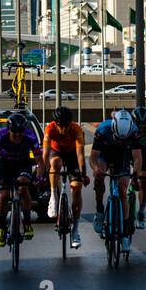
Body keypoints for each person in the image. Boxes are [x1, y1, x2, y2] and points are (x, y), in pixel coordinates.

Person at [89, 109, 144, 253]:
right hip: (105, 154)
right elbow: (93, 156)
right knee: (99, 176)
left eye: (123, 139)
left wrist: (135, 177)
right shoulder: (103, 129)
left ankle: (125, 234)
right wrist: (95, 169)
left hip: (123, 156)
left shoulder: (134, 131)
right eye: (118, 138)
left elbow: (138, 158)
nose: (120, 141)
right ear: (113, 128)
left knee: (122, 189)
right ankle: (100, 210)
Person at [0, 112, 44, 247]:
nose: (18, 135)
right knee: (4, 195)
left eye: (20, 132)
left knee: (24, 187)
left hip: (22, 164)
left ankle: (27, 223)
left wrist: (39, 177)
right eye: (15, 132)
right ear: (9, 130)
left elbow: (40, 162)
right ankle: (2, 227)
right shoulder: (1, 135)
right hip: (5, 164)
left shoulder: (30, 135)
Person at [42, 105, 86, 248]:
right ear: (56, 123)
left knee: (76, 188)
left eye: (67, 125)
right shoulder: (50, 129)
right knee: (55, 164)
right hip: (57, 152)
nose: (64, 129)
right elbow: (46, 153)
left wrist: (83, 173)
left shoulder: (76, 129)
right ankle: (53, 197)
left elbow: (80, 154)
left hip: (72, 154)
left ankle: (75, 230)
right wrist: (43, 170)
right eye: (61, 125)